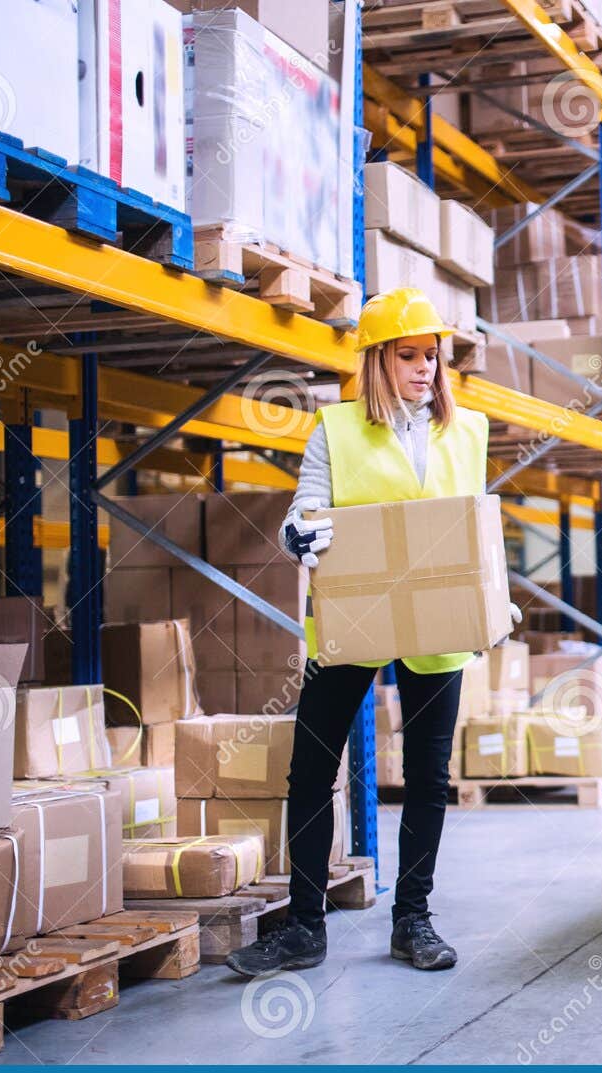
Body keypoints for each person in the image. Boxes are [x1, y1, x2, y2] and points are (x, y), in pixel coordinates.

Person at [226, 287, 512, 977]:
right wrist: (300, 532)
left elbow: (475, 525)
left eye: (432, 356)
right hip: (353, 622)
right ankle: (302, 926)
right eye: (409, 355)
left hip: (438, 624)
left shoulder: (468, 431)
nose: (425, 369)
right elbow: (307, 509)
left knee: (427, 776)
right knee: (311, 770)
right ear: (379, 360)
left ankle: (412, 919)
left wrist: (493, 598)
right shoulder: (337, 429)